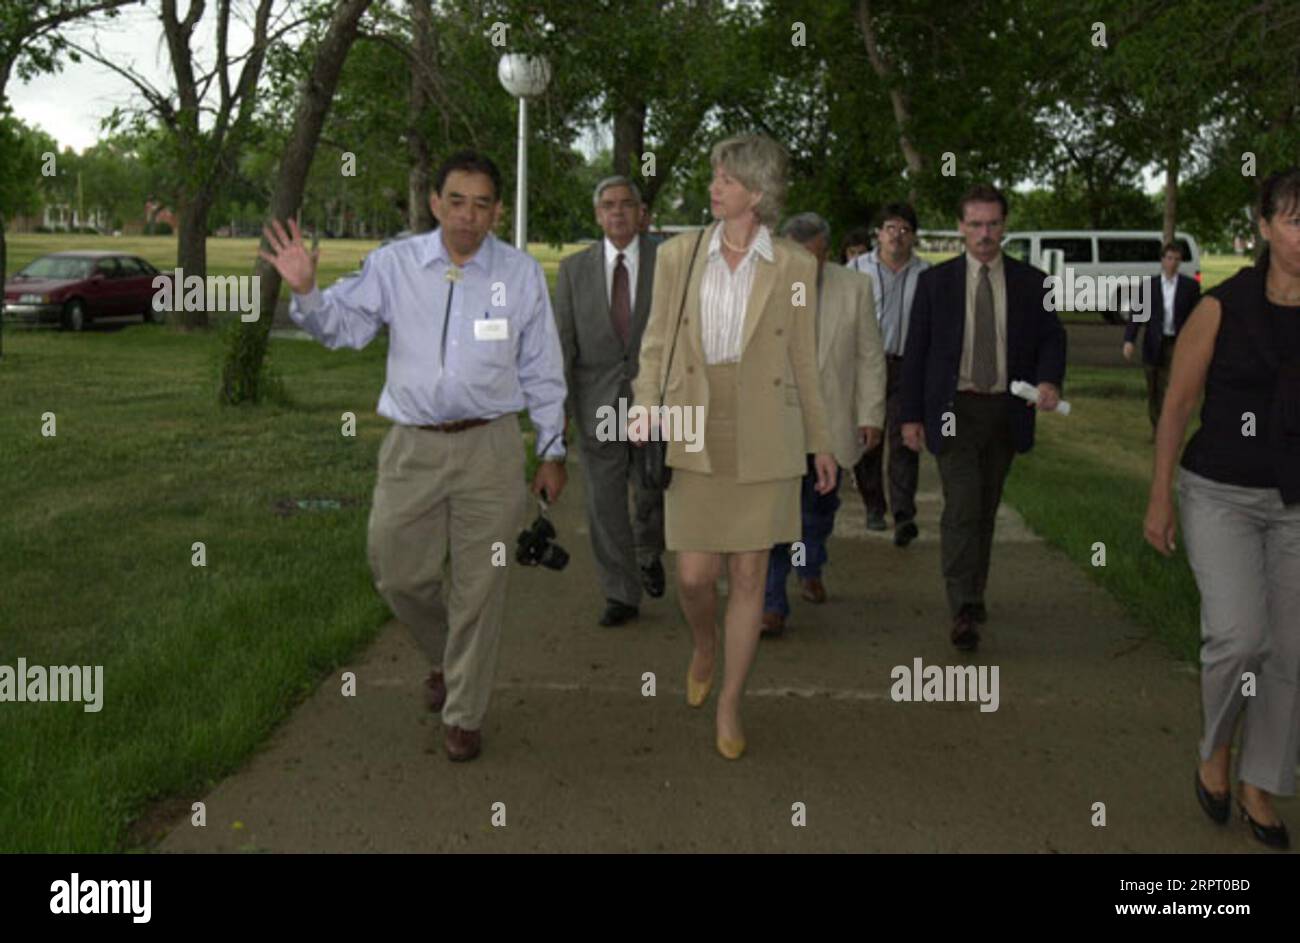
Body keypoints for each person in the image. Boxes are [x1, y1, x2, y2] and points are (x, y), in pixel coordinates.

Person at [260, 150, 568, 763]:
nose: (468, 216)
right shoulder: (395, 265)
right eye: (456, 201)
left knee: (483, 586)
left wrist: (552, 446)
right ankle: (450, 658)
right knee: (397, 571)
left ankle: (464, 714)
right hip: (413, 448)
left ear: (498, 211)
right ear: (434, 204)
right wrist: (308, 292)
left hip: (491, 448)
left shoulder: (521, 274)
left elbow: (542, 365)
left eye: (482, 204)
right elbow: (343, 329)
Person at [629, 133, 834, 760]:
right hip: (695, 418)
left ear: (758, 192)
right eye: (714, 175)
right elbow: (658, 341)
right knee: (695, 575)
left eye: (725, 178)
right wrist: (644, 407)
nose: (713, 186)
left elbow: (803, 354)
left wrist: (822, 442)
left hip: (765, 430)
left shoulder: (797, 266)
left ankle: (729, 703)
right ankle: (704, 644)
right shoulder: (679, 256)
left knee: (748, 574)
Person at [1144, 167, 1300, 850]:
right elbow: (1177, 404)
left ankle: (1259, 782)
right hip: (1220, 495)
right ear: (1264, 227)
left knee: (1291, 652)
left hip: (1296, 503)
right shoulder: (1222, 306)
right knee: (1241, 638)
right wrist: (1159, 499)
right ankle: (1215, 751)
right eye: (1294, 218)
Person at [900, 183, 1066, 652]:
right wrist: (910, 416)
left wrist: (1050, 381)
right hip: (954, 409)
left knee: (985, 509)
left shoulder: (1033, 283)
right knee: (961, 508)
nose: (985, 233)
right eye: (975, 224)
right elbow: (917, 353)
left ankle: (974, 591)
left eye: (993, 224)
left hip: (1006, 410)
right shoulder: (936, 283)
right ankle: (962, 608)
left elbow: (1054, 338)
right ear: (960, 228)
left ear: (1004, 227)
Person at [762, 212, 885, 636]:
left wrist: (871, 414)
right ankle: (772, 602)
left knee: (817, 510)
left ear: (826, 254)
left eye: (810, 257)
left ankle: (809, 562)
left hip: (830, 422)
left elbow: (870, 357)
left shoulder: (855, 288)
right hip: (777, 422)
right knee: (776, 516)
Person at [553, 176, 665, 627]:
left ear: (641, 213)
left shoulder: (668, 262)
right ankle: (621, 592)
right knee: (605, 501)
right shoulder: (574, 270)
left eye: (626, 204)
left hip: (658, 400)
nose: (617, 212)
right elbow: (562, 342)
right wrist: (556, 409)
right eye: (608, 205)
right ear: (598, 215)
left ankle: (649, 550)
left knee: (656, 488)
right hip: (596, 402)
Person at [850, 202, 931, 544]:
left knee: (904, 439)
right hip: (867, 363)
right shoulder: (856, 268)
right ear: (878, 234)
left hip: (908, 364)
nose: (897, 235)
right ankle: (873, 505)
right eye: (890, 228)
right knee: (868, 437)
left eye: (904, 229)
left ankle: (903, 514)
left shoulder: (925, 274)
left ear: (913, 236)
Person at [1124, 242, 1201, 439]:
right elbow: (1137, 314)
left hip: (1177, 343)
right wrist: (1129, 340)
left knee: (1170, 387)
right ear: (1162, 260)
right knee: (1153, 387)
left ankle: (1169, 430)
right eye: (1169, 258)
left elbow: (1196, 317)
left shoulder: (1189, 287)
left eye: (1176, 259)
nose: (1172, 263)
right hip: (1153, 342)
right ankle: (1156, 427)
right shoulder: (1149, 286)